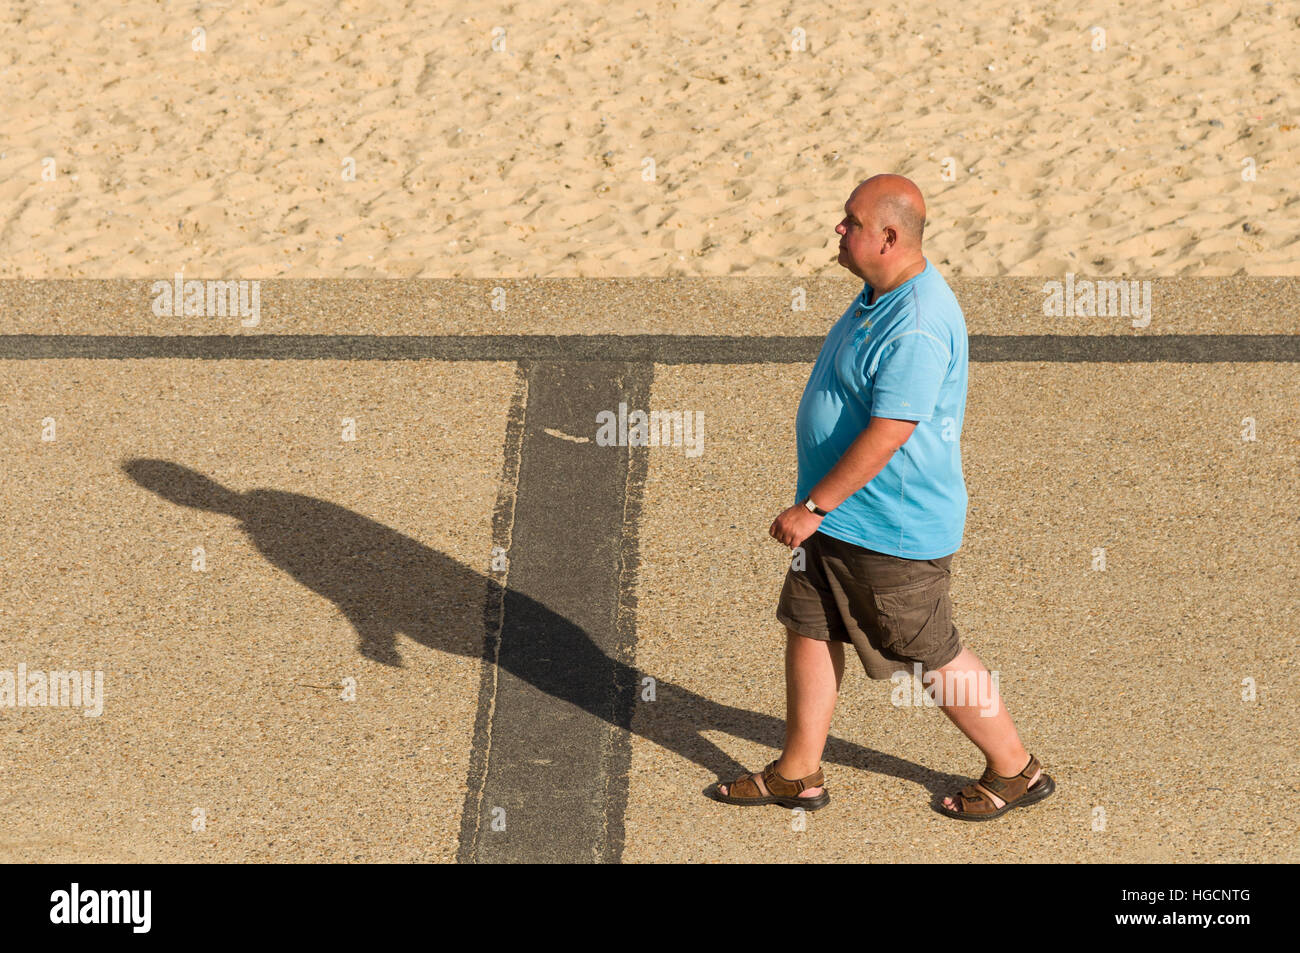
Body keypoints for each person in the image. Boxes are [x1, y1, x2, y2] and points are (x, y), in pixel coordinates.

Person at [714, 174, 1055, 820]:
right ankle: (798, 771)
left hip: (888, 527)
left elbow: (889, 434)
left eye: (851, 222)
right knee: (810, 623)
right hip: (845, 520)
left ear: (889, 237)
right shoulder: (882, 290)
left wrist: (812, 507)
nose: (839, 230)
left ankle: (1016, 769)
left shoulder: (919, 323)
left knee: (928, 646)